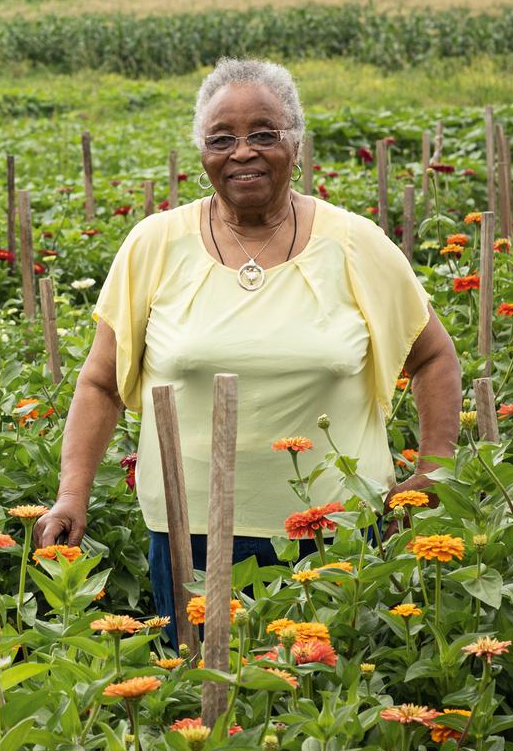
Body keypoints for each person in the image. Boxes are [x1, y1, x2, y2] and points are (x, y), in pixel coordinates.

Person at [34, 58, 462, 642]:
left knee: (322, 696)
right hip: (189, 532)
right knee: (201, 700)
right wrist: (70, 495)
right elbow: (101, 383)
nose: (243, 152)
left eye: (264, 133)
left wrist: (434, 466)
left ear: (297, 143)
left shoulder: (355, 243)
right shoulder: (155, 245)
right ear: (201, 152)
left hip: (334, 530)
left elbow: (434, 355)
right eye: (222, 139)